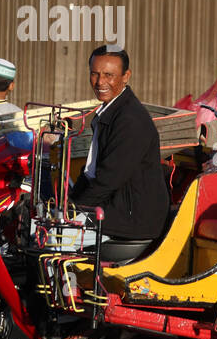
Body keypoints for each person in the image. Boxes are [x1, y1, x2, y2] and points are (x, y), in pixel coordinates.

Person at [70, 46, 169, 242]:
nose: (100, 82)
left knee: (52, 238)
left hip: (132, 219)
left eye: (109, 75)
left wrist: (73, 211)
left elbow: (108, 179)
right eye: (95, 74)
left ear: (126, 76)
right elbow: (92, 172)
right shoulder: (111, 111)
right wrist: (69, 204)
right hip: (115, 208)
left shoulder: (130, 120)